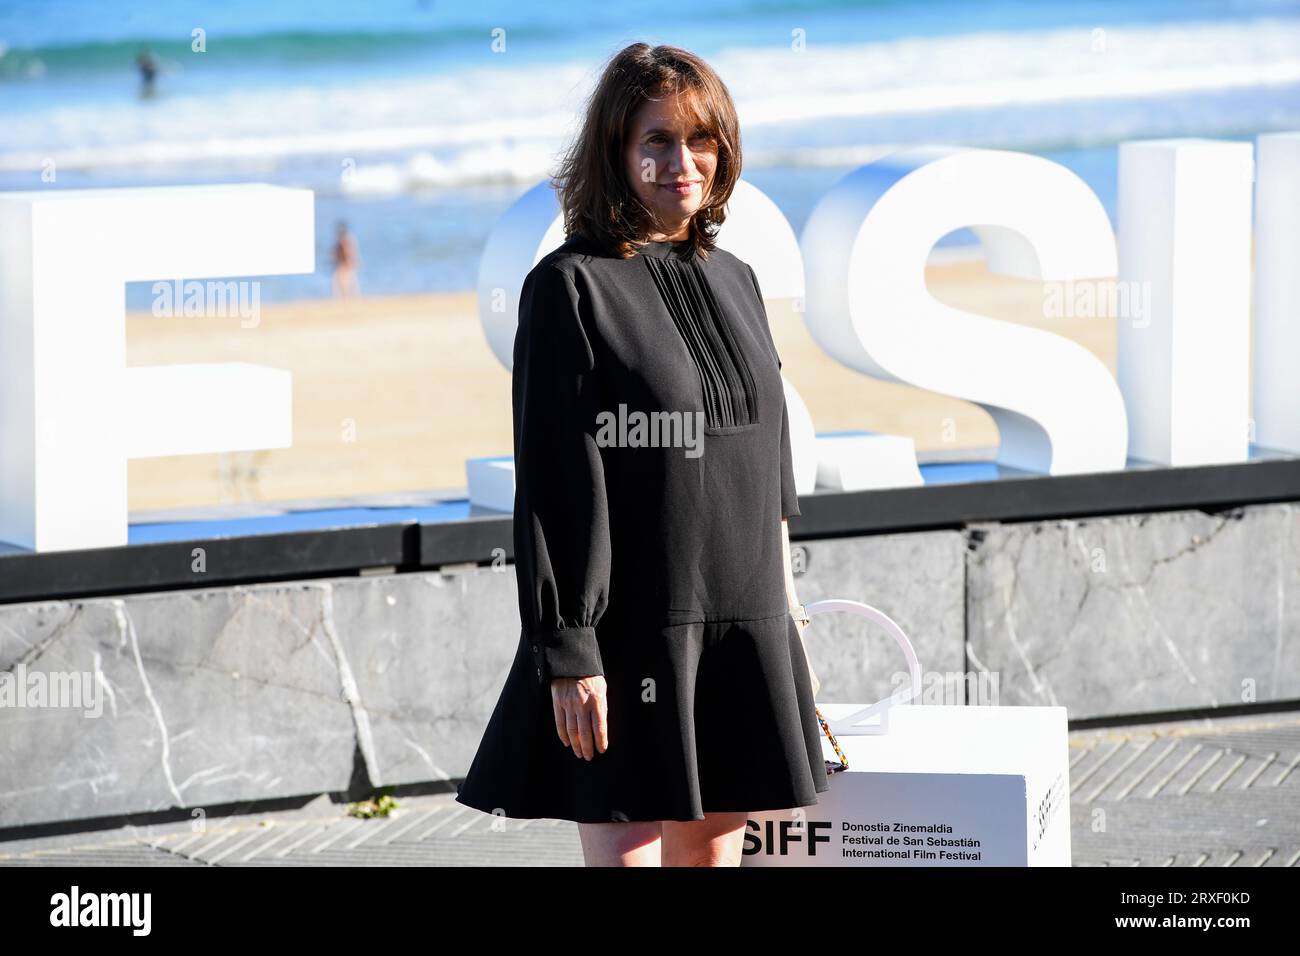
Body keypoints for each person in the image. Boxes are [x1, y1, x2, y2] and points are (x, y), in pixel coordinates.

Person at [454, 43, 827, 867]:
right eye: (655, 140)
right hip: (629, 634)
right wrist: (570, 651)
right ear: (616, 153)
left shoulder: (738, 278)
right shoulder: (569, 286)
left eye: (701, 140)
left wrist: (787, 604)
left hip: (743, 623)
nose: (681, 162)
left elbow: (768, 461)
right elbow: (556, 480)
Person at [332, 221, 360, 297]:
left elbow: (351, 254)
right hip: (343, 267)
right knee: (344, 287)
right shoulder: (342, 243)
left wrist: (353, 262)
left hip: (345, 267)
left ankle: (349, 301)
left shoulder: (346, 242)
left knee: (347, 287)